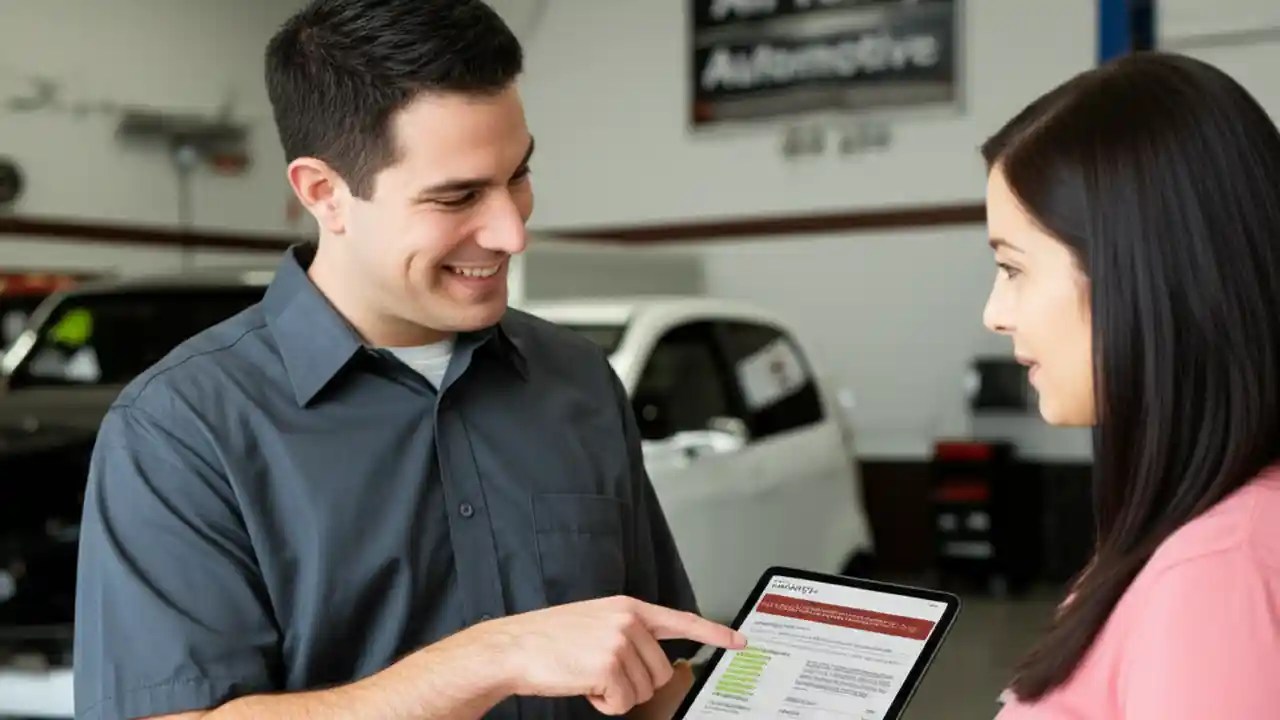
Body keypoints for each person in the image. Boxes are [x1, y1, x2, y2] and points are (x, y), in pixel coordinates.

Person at [71, 1, 745, 718]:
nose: (512, 232)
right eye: (458, 197)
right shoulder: (181, 429)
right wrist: (491, 659)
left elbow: (646, 685)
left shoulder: (575, 379)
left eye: (518, 175)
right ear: (325, 193)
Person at [981, 52, 1280, 719]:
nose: (995, 312)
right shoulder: (1193, 534)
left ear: (1135, 274)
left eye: (1013, 267)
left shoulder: (1217, 571)